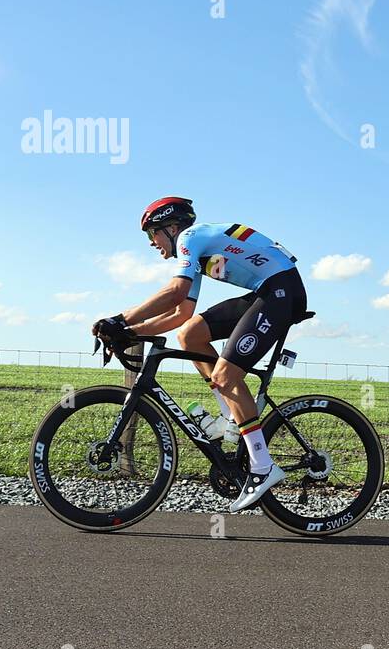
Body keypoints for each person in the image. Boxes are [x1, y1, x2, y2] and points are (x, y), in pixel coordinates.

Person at [91, 197, 307, 511]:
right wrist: (130, 333)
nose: (152, 243)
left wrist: (122, 319)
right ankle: (231, 418)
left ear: (171, 227)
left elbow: (175, 292)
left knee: (225, 374)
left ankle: (262, 467)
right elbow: (181, 314)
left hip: (281, 291)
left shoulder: (191, 238)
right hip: (267, 290)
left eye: (152, 233)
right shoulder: (198, 250)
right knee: (190, 334)